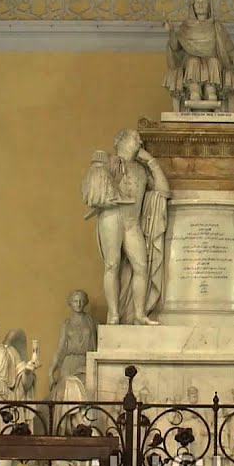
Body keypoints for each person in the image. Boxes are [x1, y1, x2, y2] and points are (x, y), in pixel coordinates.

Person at [83, 129, 171, 324]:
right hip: (112, 217)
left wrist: (151, 161)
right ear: (122, 141)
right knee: (112, 264)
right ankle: (114, 314)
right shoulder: (109, 163)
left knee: (141, 266)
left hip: (132, 223)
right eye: (135, 138)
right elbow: (92, 191)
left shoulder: (141, 170)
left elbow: (164, 190)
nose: (140, 142)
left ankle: (139, 314)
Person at [163, 0, 234, 109]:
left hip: (213, 60)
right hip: (190, 61)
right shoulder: (186, 27)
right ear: (193, 7)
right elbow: (176, 48)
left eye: (204, 2)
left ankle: (210, 91)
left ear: (209, 7)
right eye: (197, 3)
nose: (200, 5)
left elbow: (228, 47)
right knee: (193, 61)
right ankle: (194, 90)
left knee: (214, 61)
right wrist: (171, 32)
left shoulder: (216, 27)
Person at [50, 290, 98, 434]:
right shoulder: (67, 324)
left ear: (85, 302)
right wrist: (51, 370)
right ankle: (68, 432)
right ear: (70, 303)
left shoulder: (92, 322)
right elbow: (60, 348)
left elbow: (101, 344)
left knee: (85, 397)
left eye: (81, 301)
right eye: (75, 301)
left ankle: (83, 429)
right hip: (69, 363)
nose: (79, 304)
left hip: (86, 362)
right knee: (68, 395)